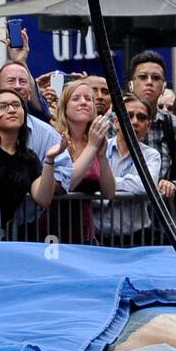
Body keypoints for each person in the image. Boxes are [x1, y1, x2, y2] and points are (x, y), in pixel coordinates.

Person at [0, 90, 66, 235]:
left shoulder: (29, 158)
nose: (11, 110)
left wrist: (49, 160)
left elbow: (43, 199)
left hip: (0, 235)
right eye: (2, 106)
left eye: (16, 105)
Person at [127, 51, 176, 199]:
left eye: (156, 78)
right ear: (131, 85)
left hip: (161, 209)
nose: (149, 82)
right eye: (143, 77)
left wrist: (173, 185)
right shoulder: (113, 121)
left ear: (164, 86)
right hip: (117, 209)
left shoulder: (174, 124)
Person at [94, 94, 162, 246]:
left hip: (136, 238)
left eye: (141, 118)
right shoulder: (98, 148)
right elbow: (89, 186)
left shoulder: (151, 155)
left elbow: (146, 185)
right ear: (116, 122)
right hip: (98, 237)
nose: (134, 122)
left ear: (148, 126)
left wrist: (107, 185)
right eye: (128, 116)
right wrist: (127, 186)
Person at [56, 79, 116, 243]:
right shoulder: (56, 139)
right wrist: (91, 147)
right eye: (76, 98)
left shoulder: (94, 140)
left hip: (84, 232)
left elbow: (109, 193)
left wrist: (102, 156)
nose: (83, 102)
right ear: (64, 108)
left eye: (88, 99)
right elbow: (66, 184)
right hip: (52, 227)